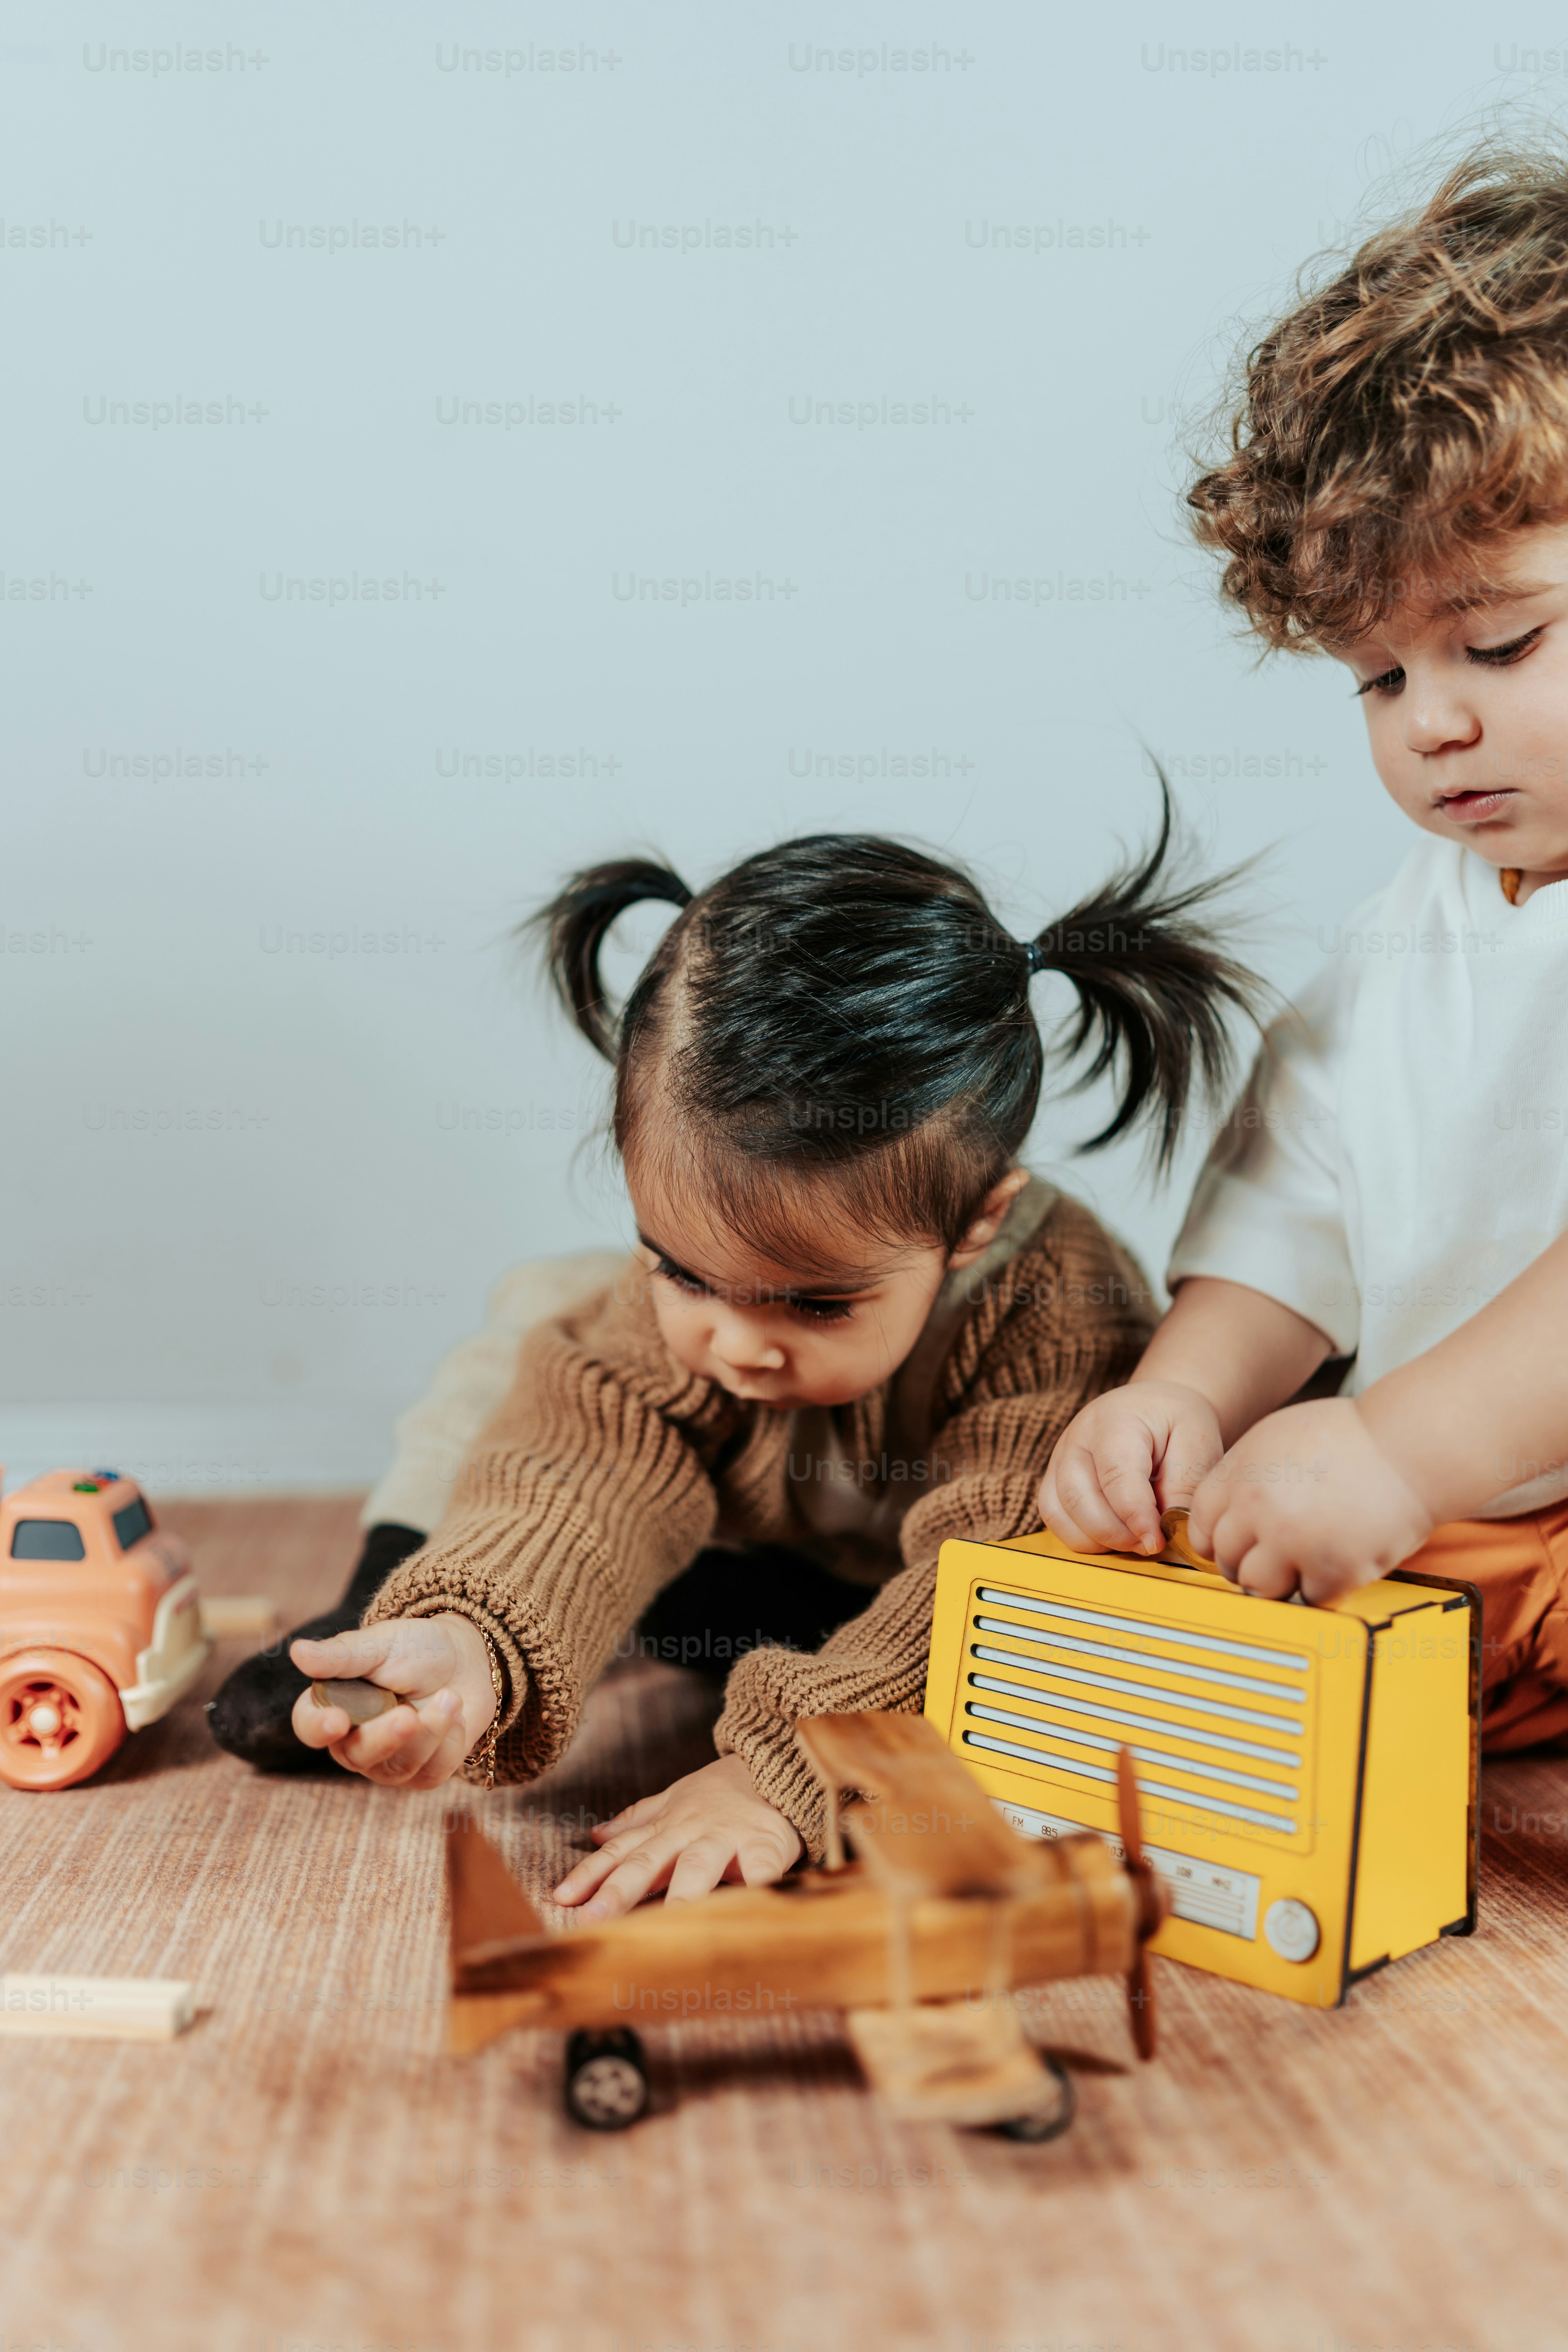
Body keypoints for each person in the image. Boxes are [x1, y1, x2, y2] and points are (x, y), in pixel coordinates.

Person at [272, 814, 1257, 1914]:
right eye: (684, 1272)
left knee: (1061, 1640)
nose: (736, 1342)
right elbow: (580, 1470)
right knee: (545, 1333)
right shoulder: (684, 1316)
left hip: (886, 1586)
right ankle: (405, 1603)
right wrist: (478, 1641)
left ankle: (785, 1669)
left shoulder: (1058, 1313)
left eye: (813, 1301)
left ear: (975, 1226)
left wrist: (780, 1771)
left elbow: (995, 1588)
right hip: (748, 1566)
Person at [1040, 137, 1568, 1752]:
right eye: (1378, 678)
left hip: (1457, 1467)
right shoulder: (1402, 939)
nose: (1435, 723)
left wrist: (1400, 1452)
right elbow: (1293, 1211)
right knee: (1200, 1589)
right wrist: (1184, 1400)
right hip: (1485, 1517)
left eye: (1497, 641)